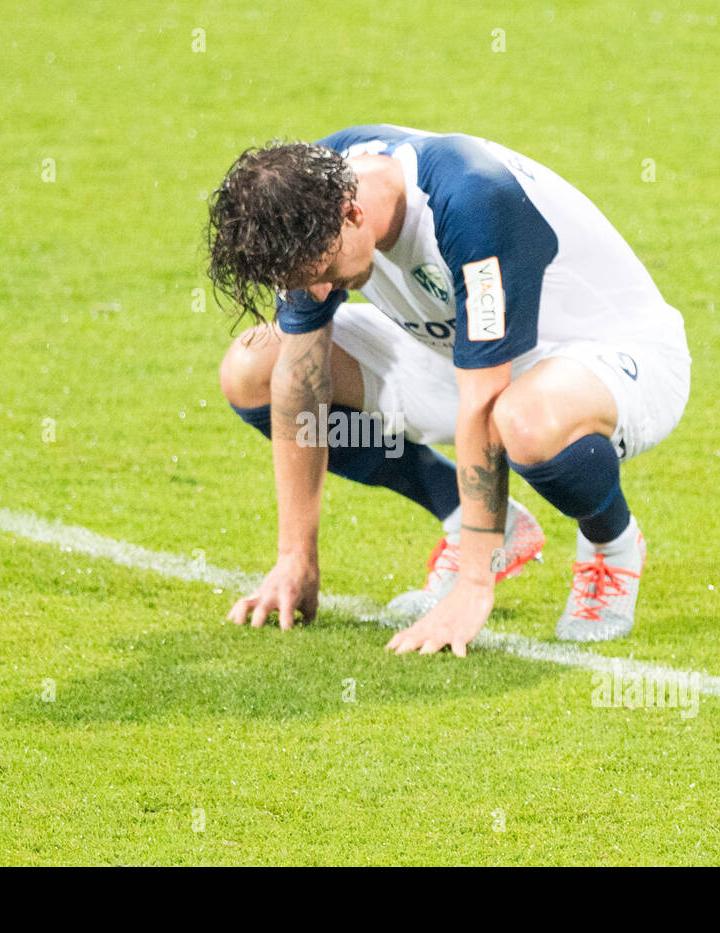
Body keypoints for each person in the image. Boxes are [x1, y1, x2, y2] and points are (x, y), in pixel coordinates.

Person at [207, 124, 690, 656]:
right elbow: (302, 379)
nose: (317, 293)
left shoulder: (471, 201)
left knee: (522, 418)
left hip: (612, 354)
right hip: (455, 352)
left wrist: (473, 587)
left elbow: (484, 401)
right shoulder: (305, 196)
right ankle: (483, 524)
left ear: (353, 214)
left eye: (321, 271)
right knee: (254, 368)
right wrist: (295, 555)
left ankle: (611, 546)